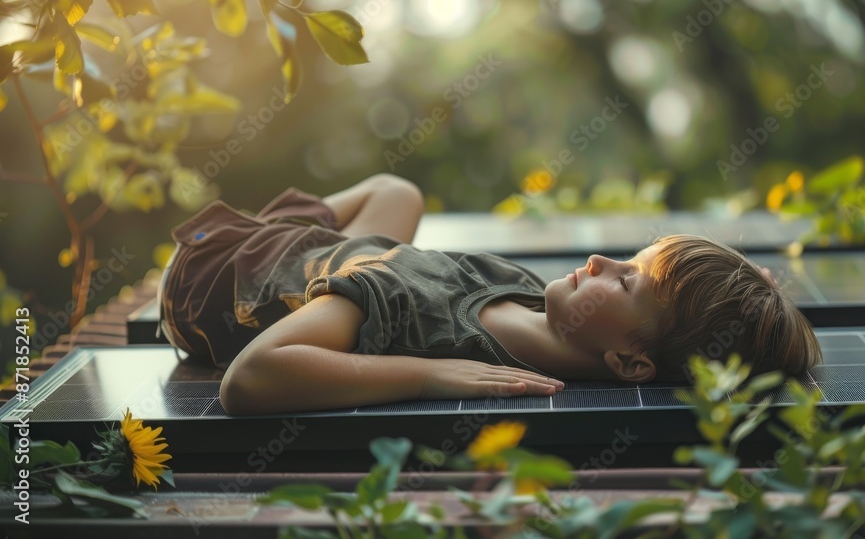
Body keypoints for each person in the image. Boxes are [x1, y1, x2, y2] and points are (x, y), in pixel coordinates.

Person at [156, 174, 822, 416]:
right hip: (222, 254)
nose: (599, 261)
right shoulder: (533, 298)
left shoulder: (407, 308)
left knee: (390, 205)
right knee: (399, 192)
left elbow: (249, 379)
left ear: (631, 363)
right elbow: (246, 381)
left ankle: (296, 245)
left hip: (198, 296)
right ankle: (286, 237)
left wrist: (421, 372)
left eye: (626, 279)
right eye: (627, 258)